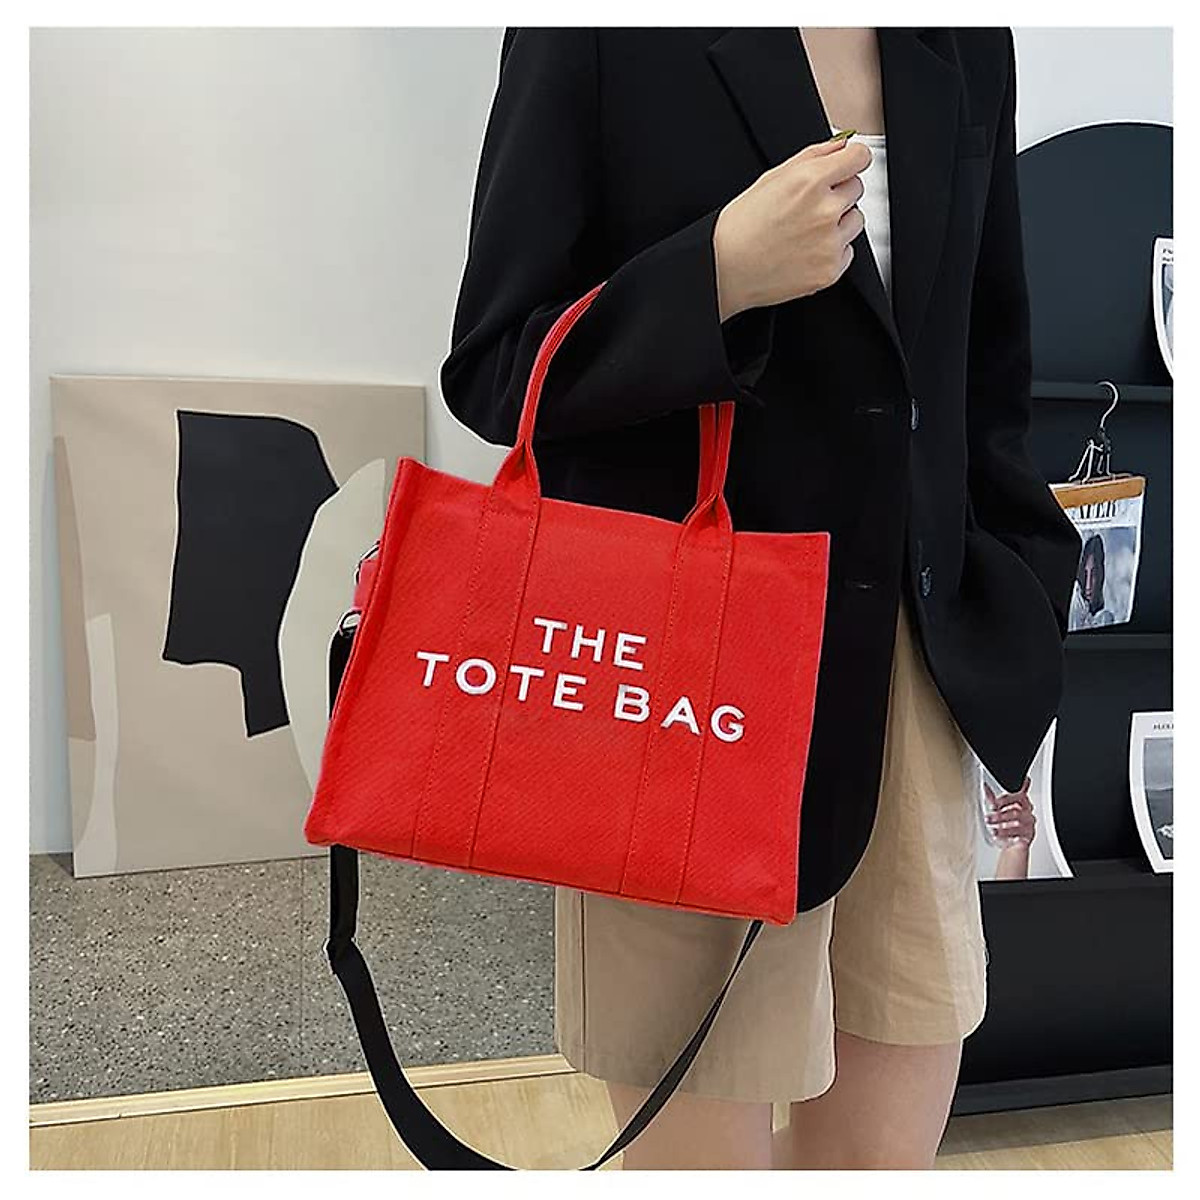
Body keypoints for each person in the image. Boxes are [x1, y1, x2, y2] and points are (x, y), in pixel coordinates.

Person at [441, 27, 1082, 1170]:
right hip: (688, 675)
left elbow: (987, 366)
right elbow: (500, 362)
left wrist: (1023, 589)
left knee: (879, 1161)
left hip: (908, 676)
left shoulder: (962, 34)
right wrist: (715, 276)